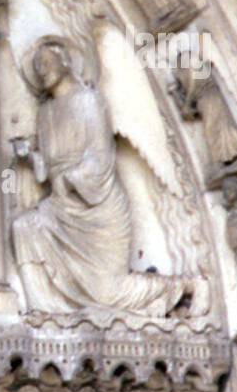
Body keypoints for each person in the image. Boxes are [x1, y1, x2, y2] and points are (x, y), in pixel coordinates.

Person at [12, 36, 188, 316]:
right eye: (36, 67)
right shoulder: (45, 113)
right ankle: (47, 311)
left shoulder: (88, 101)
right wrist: (29, 158)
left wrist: (69, 178)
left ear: (66, 62)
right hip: (60, 207)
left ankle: (182, 288)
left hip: (97, 205)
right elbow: (46, 171)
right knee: (24, 227)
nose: (41, 70)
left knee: (108, 291)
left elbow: (100, 158)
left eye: (46, 63)